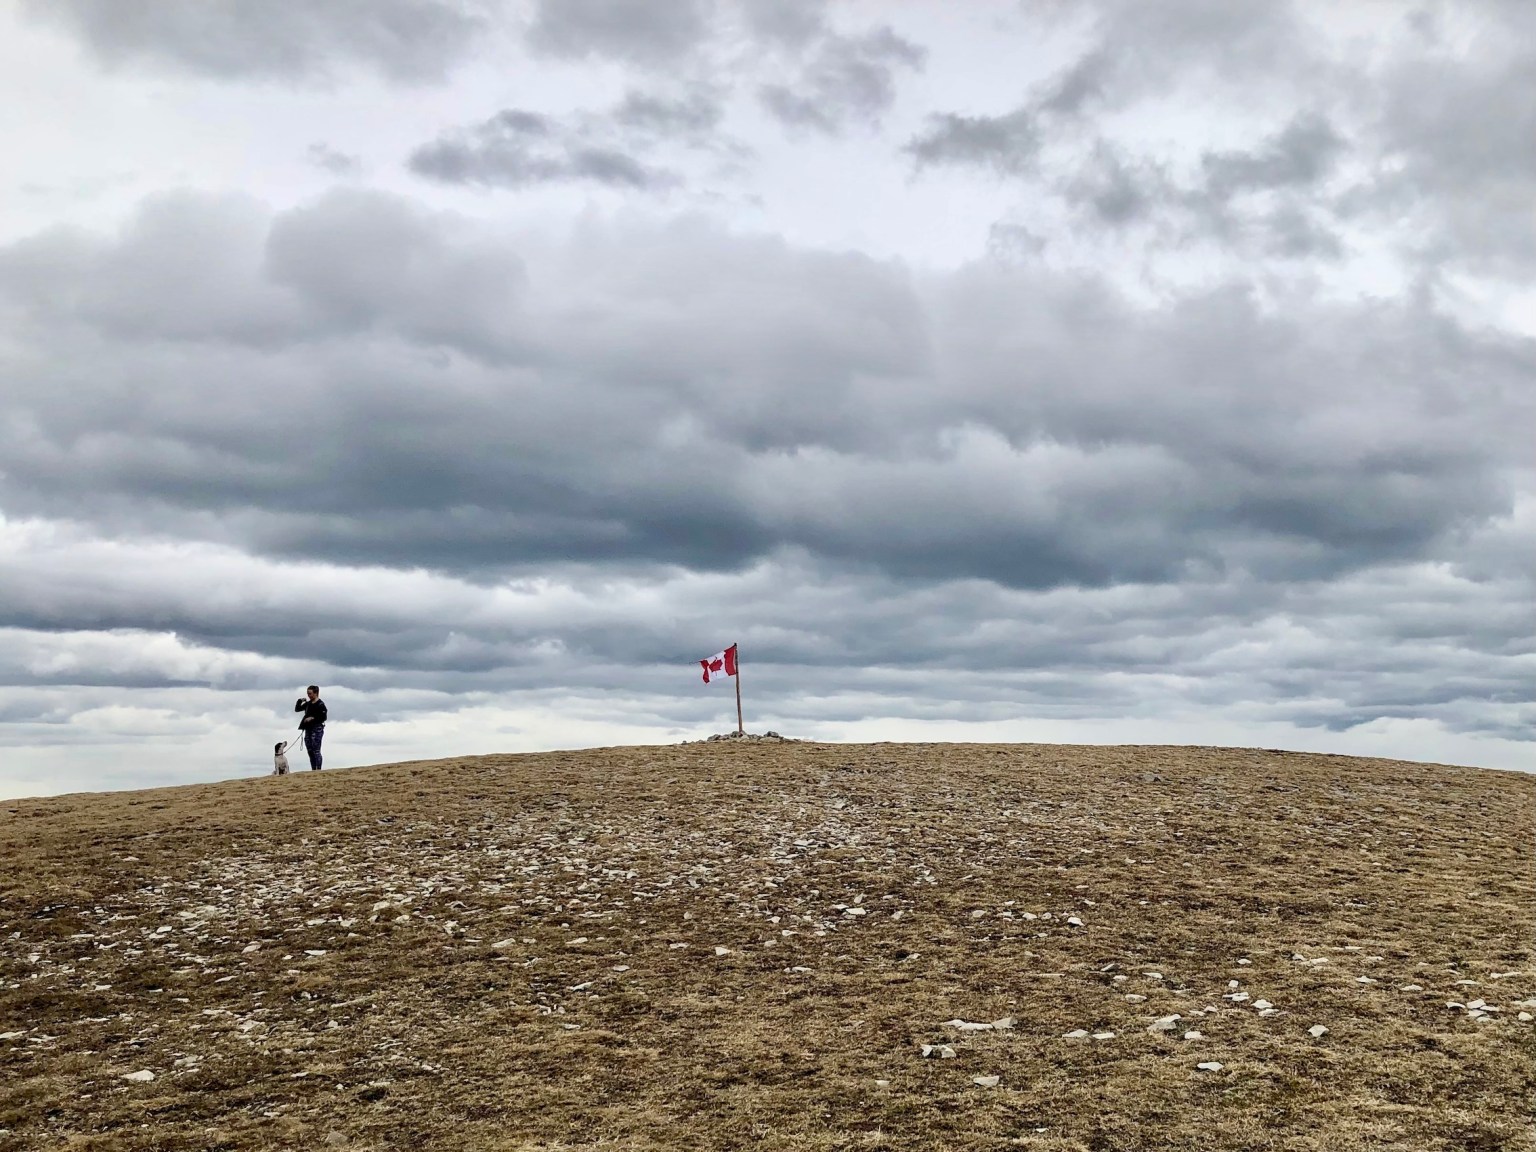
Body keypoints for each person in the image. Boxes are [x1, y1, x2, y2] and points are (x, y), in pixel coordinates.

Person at [294, 685, 328, 770]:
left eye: (310, 694)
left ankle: (318, 769)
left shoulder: (320, 704)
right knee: (310, 750)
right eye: (308, 694)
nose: (309, 695)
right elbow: (297, 709)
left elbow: (324, 717)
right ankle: (313, 769)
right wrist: (300, 701)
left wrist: (312, 718)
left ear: (316, 693)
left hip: (317, 729)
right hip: (308, 729)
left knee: (316, 750)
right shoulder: (308, 704)